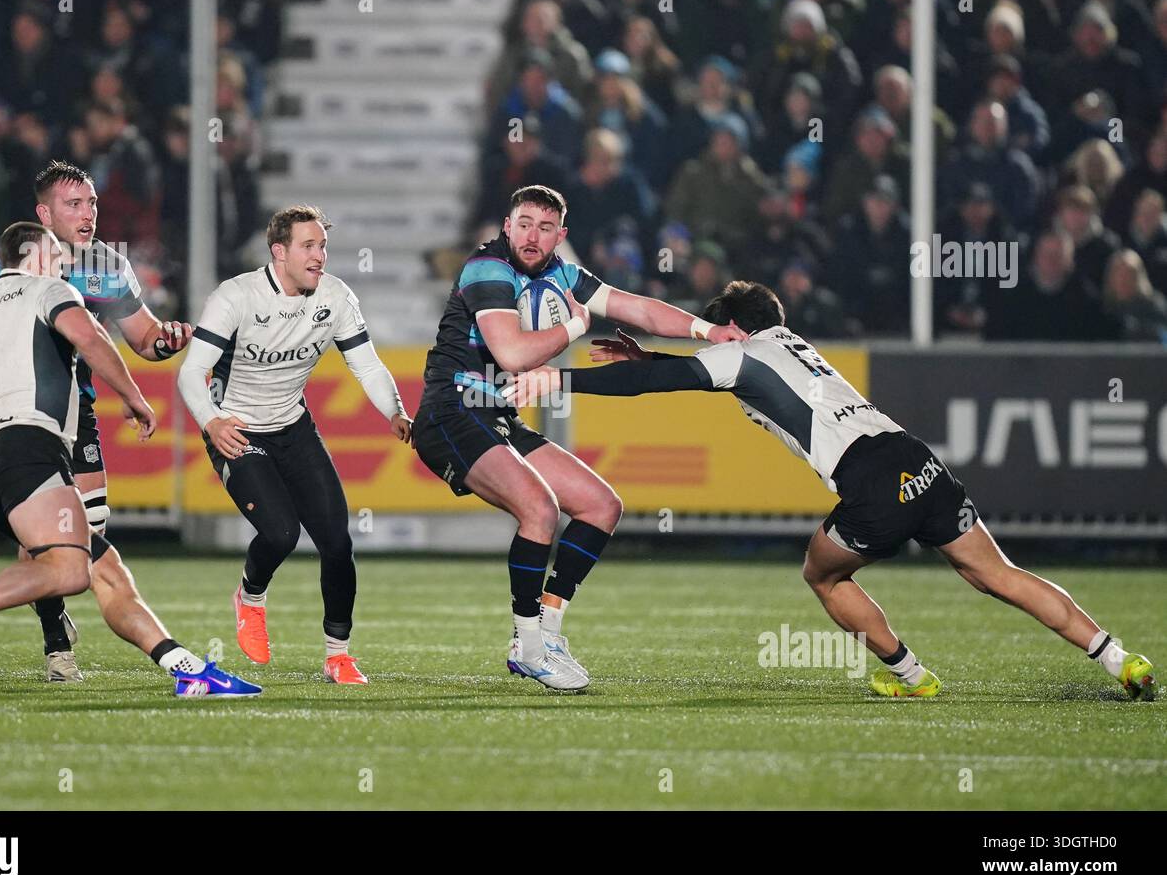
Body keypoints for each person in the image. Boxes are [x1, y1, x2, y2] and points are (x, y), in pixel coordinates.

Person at [510, 280, 1156, 702]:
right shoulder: (791, 342)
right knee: (1000, 574)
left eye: (716, 329)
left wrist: (559, 383)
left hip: (871, 481)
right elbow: (688, 372)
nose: (710, 338)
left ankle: (911, 675)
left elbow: (665, 385)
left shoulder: (740, 354)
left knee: (821, 575)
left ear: (735, 326)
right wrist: (650, 356)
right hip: (915, 458)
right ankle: (1120, 658)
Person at [0, 221, 259, 698]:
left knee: (106, 572)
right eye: (55, 254)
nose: (64, 262)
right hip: (32, 450)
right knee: (71, 572)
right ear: (33, 255)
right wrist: (134, 398)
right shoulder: (48, 290)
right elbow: (90, 338)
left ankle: (187, 669)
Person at [412, 185, 743, 692]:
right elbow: (513, 355)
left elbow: (638, 309)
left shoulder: (562, 274)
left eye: (545, 228)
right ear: (506, 225)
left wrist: (706, 330)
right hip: (452, 410)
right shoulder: (487, 267)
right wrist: (575, 327)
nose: (531, 235)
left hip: (495, 416)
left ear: (560, 236)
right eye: (523, 223)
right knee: (540, 511)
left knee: (600, 505)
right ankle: (527, 648)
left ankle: (547, 629)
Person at [0, 160, 195, 683]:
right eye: (74, 205)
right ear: (43, 214)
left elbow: (143, 339)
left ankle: (49, 621)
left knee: (82, 534)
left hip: (76, 416)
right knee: (62, 542)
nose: (88, 214)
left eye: (92, 203)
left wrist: (166, 341)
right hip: (30, 421)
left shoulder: (108, 267)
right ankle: (59, 645)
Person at [178, 205, 410, 685]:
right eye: (309, 246)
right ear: (278, 252)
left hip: (294, 427)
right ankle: (251, 594)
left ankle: (338, 655)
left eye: (323, 245)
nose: (320, 256)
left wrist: (395, 411)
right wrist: (212, 420)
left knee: (337, 541)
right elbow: (191, 372)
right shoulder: (234, 297)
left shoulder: (336, 296)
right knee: (281, 534)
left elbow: (366, 366)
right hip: (237, 429)